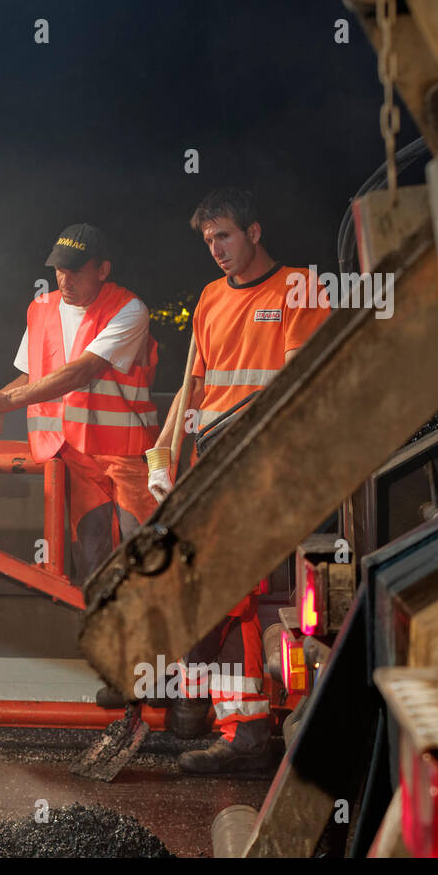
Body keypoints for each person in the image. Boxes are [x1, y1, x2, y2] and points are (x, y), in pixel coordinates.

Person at [153, 188, 331, 773]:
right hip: (212, 462)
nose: (216, 250)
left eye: (224, 235)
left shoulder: (300, 289)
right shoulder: (208, 298)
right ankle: (245, 729)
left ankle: (231, 720)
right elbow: (192, 385)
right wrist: (166, 454)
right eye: (208, 241)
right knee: (234, 600)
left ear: (254, 232)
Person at [0, 223, 158, 579]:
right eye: (58, 271)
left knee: (143, 557)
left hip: (126, 456)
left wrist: (5, 400)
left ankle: (153, 633)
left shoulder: (130, 309)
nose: (64, 281)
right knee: (91, 558)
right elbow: (29, 376)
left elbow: (80, 372)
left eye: (75, 272)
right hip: (72, 455)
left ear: (103, 270)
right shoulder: (40, 308)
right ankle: (102, 631)